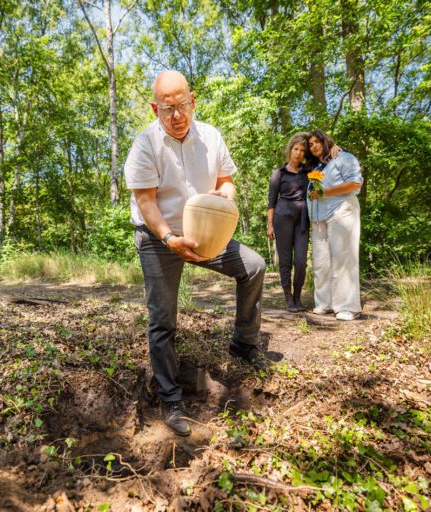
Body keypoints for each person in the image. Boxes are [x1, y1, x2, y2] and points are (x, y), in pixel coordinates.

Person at [124, 70, 267, 437]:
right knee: (163, 319)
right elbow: (146, 202)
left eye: (182, 105)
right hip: (160, 237)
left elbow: (226, 180)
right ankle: (171, 398)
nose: (176, 115)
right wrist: (170, 238)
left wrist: (227, 196)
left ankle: (243, 344)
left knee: (253, 267)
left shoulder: (212, 136)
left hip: (207, 229)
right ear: (155, 108)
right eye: (167, 108)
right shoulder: (145, 144)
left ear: (193, 101)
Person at [305, 129, 363, 321]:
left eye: (317, 142)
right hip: (319, 218)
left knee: (342, 259)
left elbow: (355, 184)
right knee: (321, 263)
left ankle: (348, 306)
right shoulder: (316, 168)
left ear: (325, 141)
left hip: (341, 211)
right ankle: (325, 303)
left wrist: (325, 193)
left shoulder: (343, 157)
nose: (314, 146)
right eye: (310, 144)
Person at [267, 133, 310, 312]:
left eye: (302, 150)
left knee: (300, 261)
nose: (298, 153)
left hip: (302, 219)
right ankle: (288, 298)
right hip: (282, 217)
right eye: (296, 149)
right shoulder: (279, 173)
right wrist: (269, 225)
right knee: (285, 260)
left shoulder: (309, 172)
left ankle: (298, 296)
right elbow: (271, 201)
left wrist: (334, 148)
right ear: (290, 150)